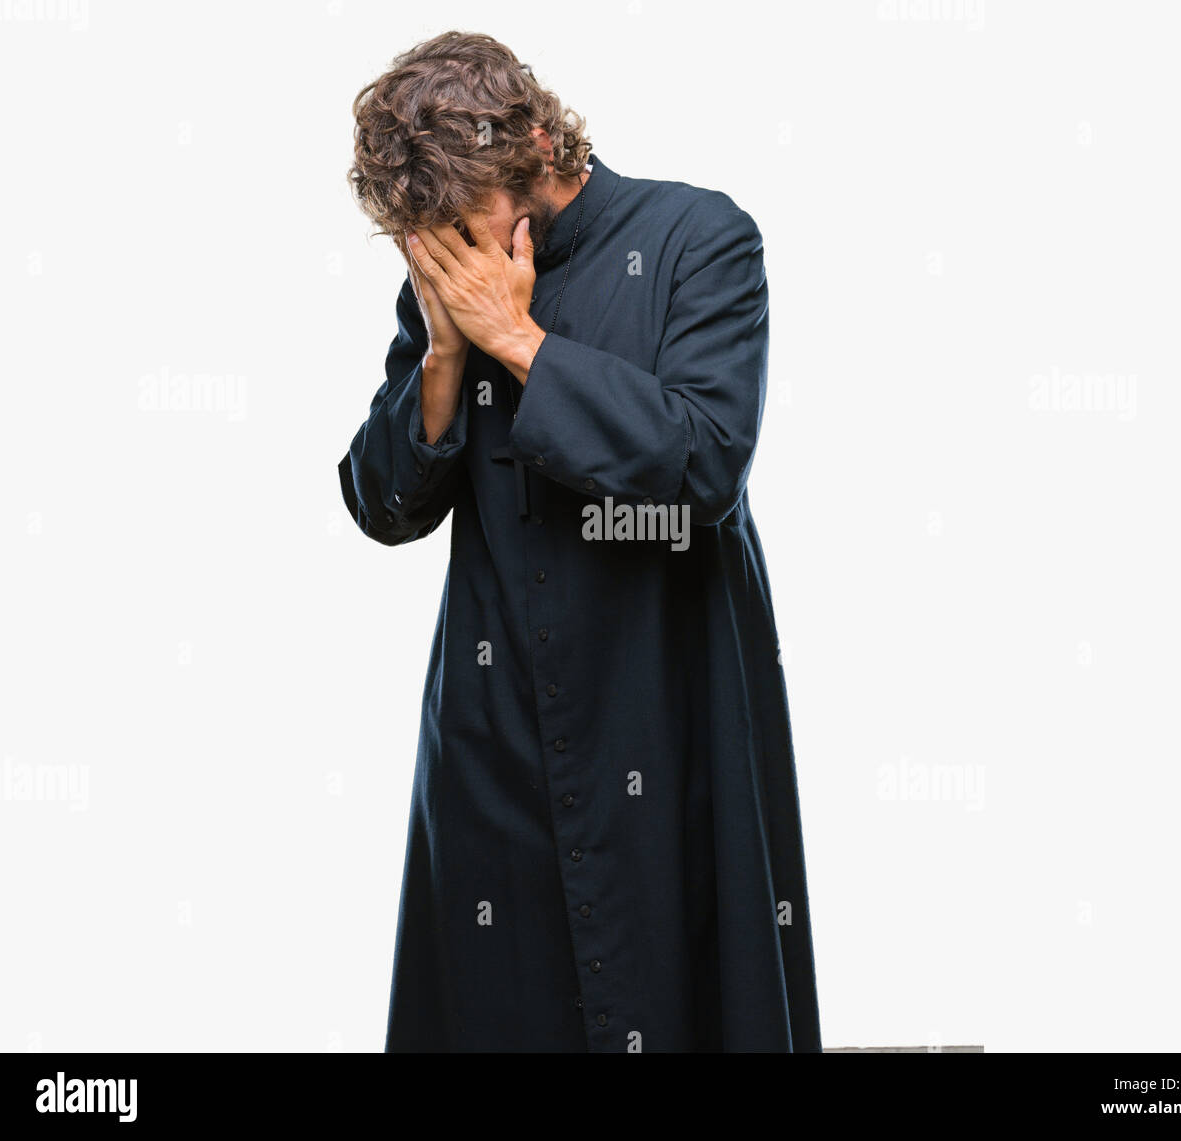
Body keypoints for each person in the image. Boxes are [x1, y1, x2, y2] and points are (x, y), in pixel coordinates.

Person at [340, 30, 821, 1052]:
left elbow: (703, 465)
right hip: (496, 725)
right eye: (427, 248)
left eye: (464, 231)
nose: (453, 264)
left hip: (665, 702)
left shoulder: (701, 237)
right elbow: (384, 505)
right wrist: (439, 353)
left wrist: (516, 342)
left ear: (540, 145)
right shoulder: (446, 281)